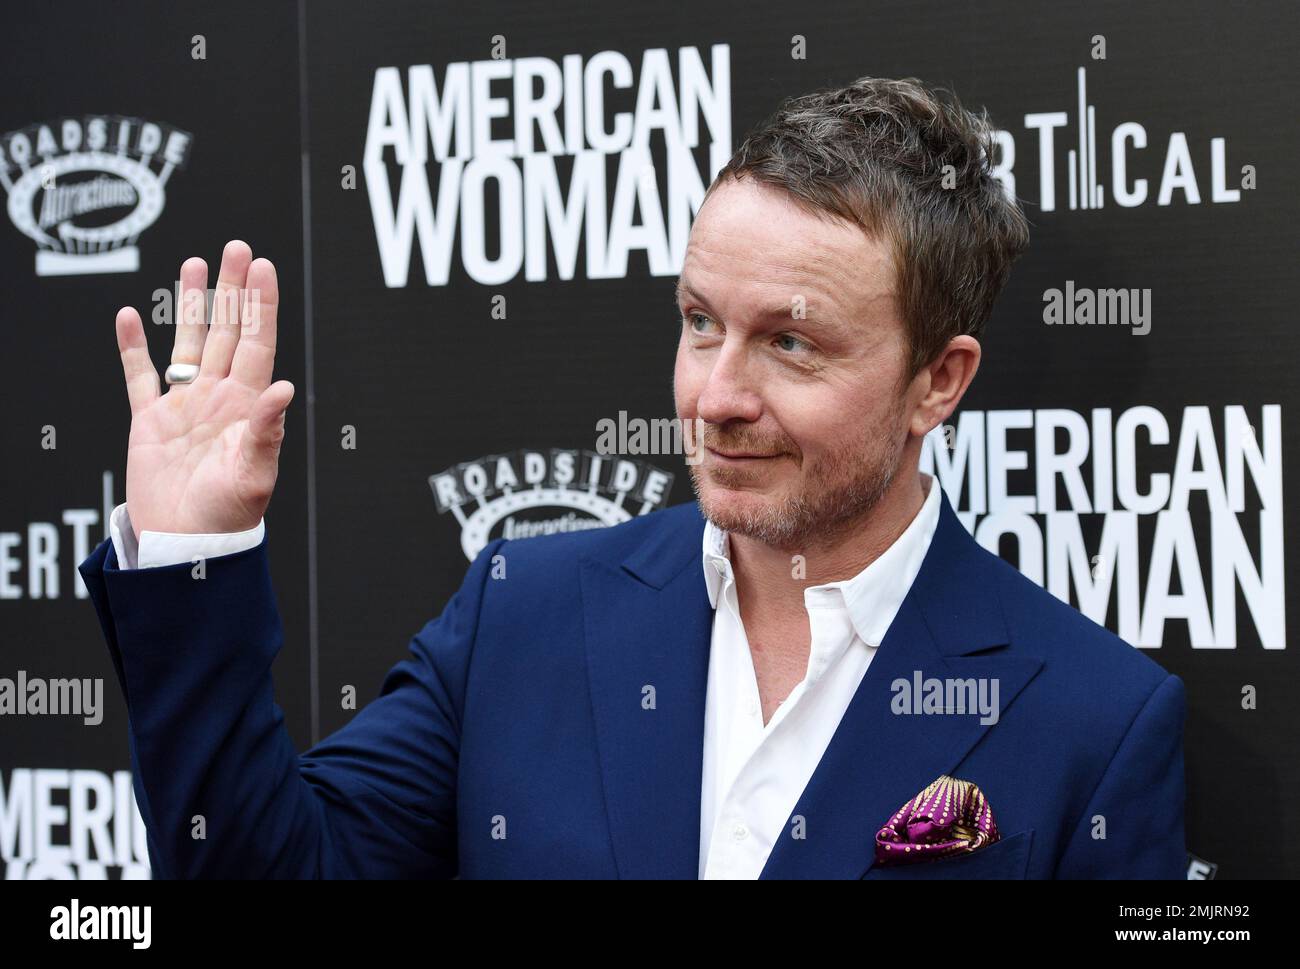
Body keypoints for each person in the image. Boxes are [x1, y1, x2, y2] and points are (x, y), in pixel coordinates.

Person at [79, 76, 1186, 879]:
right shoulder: (523, 614)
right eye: (700, 323)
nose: (715, 397)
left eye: (791, 345)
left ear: (935, 384)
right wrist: (193, 558)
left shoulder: (1093, 722)